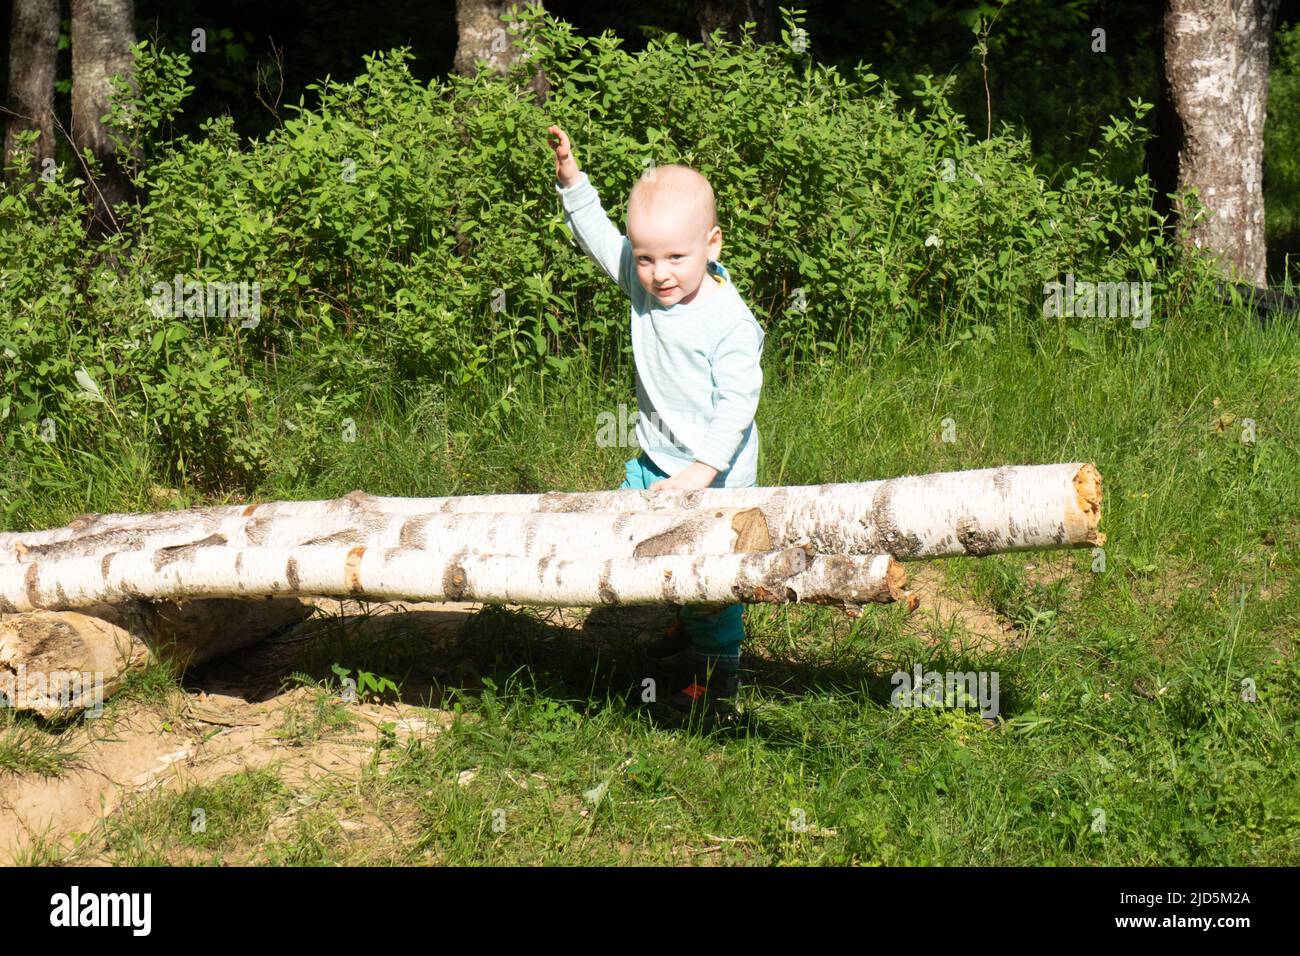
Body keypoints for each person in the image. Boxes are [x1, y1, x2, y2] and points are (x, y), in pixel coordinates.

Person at [546, 124, 765, 719]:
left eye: (675, 257)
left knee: (713, 579)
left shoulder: (729, 323)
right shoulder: (648, 288)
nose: (659, 272)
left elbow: (737, 408)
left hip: (715, 475)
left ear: (712, 245)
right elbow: (599, 240)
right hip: (655, 460)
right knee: (632, 539)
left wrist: (701, 471)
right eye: (646, 258)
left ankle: (719, 676)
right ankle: (683, 622)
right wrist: (573, 182)